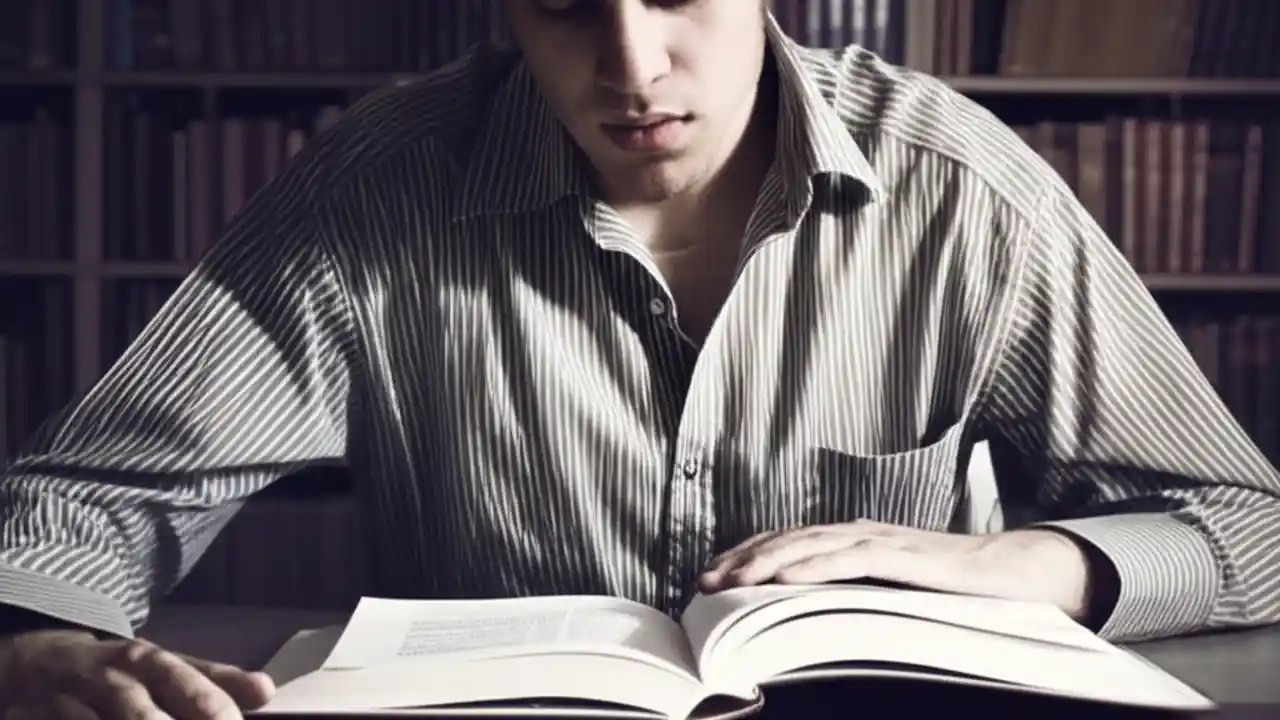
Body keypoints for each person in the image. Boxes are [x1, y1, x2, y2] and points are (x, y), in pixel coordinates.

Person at [3, 0, 1279, 717]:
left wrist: (1022, 563)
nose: (630, 66)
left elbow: (1252, 529)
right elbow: (91, 501)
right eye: (564, 4)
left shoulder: (959, 193)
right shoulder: (376, 186)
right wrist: (26, 645)